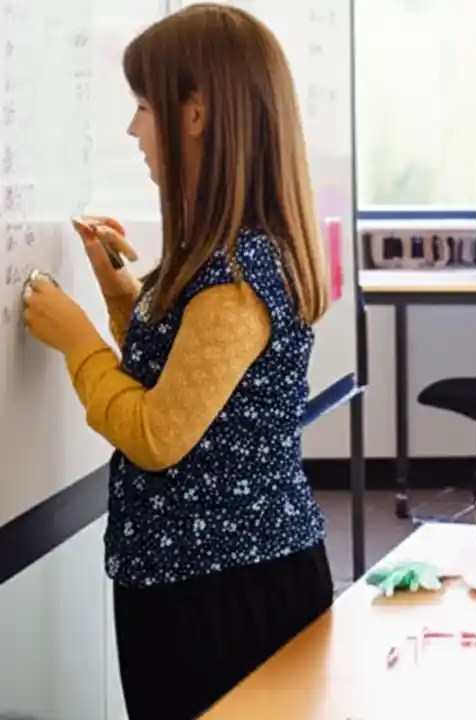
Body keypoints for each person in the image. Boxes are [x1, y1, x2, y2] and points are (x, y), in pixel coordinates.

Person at [22, 6, 333, 718]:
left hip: (223, 593)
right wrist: (119, 294)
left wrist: (80, 346)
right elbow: (194, 382)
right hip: (209, 580)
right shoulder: (233, 255)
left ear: (195, 114)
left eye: (142, 107)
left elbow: (161, 434)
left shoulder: (236, 275)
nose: (134, 131)